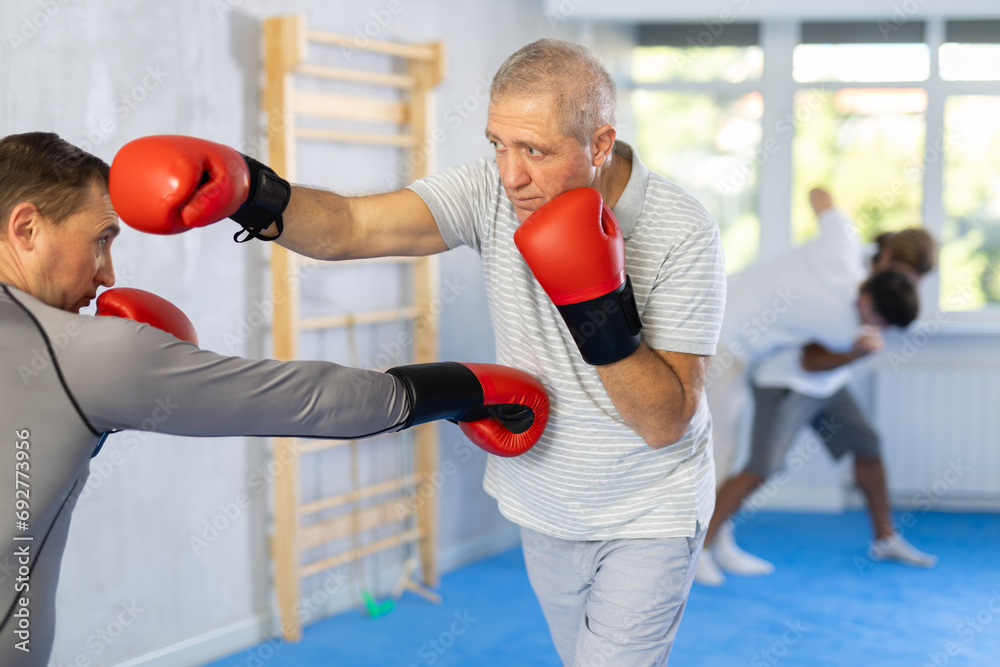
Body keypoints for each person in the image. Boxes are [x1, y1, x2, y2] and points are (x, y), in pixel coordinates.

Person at [109, 38, 727, 665]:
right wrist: (250, 192)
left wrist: (596, 306)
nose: (511, 175)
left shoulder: (682, 229)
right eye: (497, 144)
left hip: (649, 509)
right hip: (545, 502)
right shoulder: (493, 193)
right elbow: (351, 227)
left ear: (599, 144)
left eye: (534, 151)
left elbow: (664, 422)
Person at [0, 132, 549, 666]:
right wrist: (469, 389)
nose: (108, 274)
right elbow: (320, 401)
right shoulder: (83, 355)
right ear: (26, 228)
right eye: (101, 239)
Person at [697, 187, 936, 586]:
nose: (908, 286)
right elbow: (811, 359)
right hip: (729, 342)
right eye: (907, 277)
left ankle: (884, 537)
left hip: (793, 367)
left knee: (864, 444)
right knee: (732, 458)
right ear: (889, 259)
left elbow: (819, 193)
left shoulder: (844, 247)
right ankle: (700, 547)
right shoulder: (845, 316)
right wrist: (859, 352)